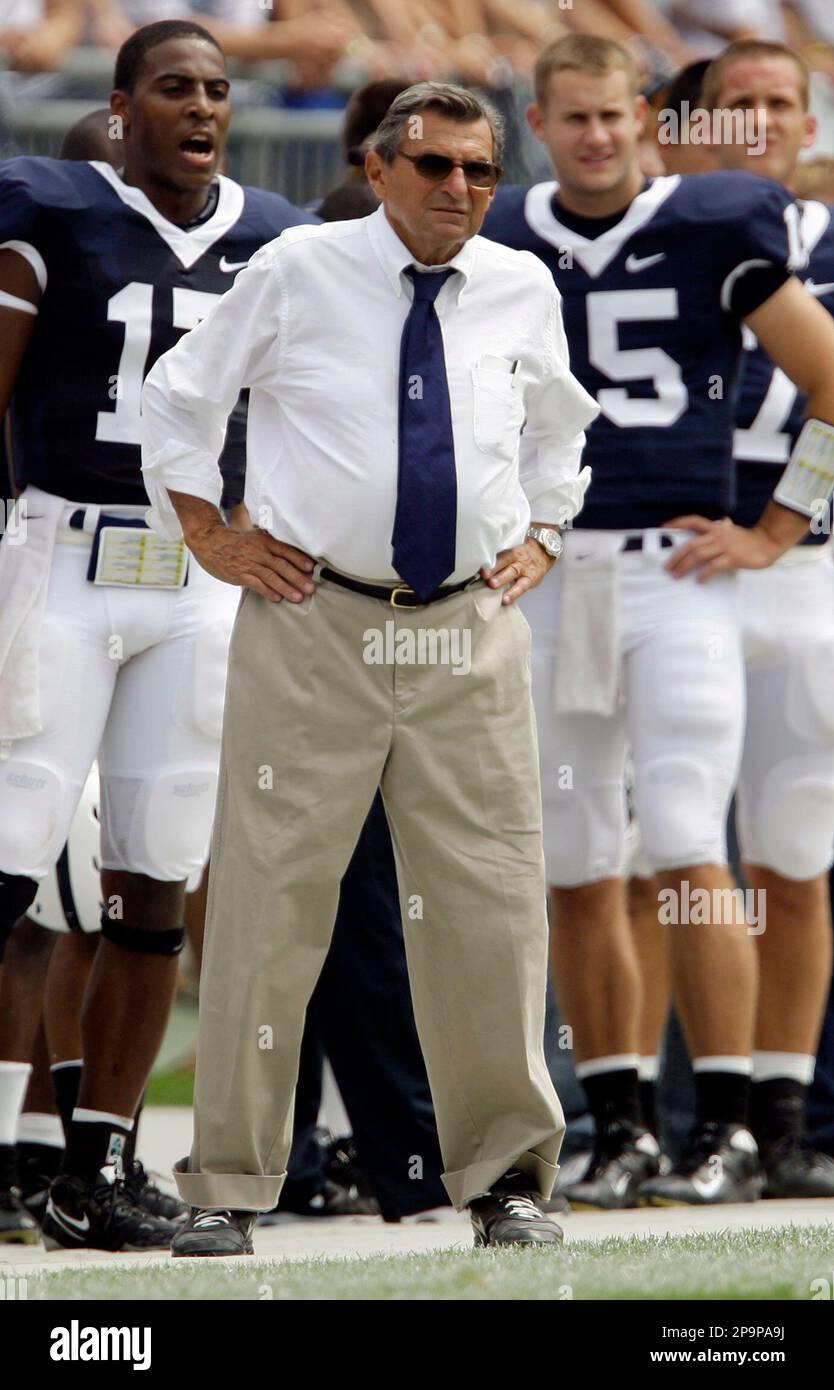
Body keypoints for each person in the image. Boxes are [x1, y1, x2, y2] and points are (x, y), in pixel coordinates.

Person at [140, 78, 599, 1256]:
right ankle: (226, 1185)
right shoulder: (297, 266)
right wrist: (211, 534)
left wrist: (546, 528)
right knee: (266, 901)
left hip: (466, 628)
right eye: (435, 165)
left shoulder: (521, 284)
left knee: (491, 905)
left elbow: (563, 427)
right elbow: (180, 398)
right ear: (382, 166)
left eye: (481, 172)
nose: (458, 190)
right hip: (314, 621)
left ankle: (509, 1181)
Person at [482, 33, 834, 1208]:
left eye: (610, 118)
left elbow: (829, 376)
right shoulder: (503, 231)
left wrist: (779, 529)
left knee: (691, 838)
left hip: (676, 572)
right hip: (553, 575)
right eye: (570, 119)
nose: (592, 138)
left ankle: (725, 1123)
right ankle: (623, 1120)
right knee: (579, 863)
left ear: (642, 116)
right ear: (540, 123)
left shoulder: (714, 219)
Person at [0, 18, 316, 1252]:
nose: (201, 107)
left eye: (218, 90)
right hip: (62, 556)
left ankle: (98, 1164)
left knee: (154, 885)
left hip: (193, 578)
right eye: (174, 87)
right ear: (122, 107)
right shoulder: (55, 204)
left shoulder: (277, 241)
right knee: (16, 852)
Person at [701, 38, 834, 1198]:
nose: (758, 122)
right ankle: (681, 1119)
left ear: (809, 118)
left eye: (777, 104)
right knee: (668, 858)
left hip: (794, 573)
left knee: (790, 859)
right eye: (734, 106)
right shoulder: (663, 229)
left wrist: (782, 527)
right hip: (666, 565)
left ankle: (782, 1121)